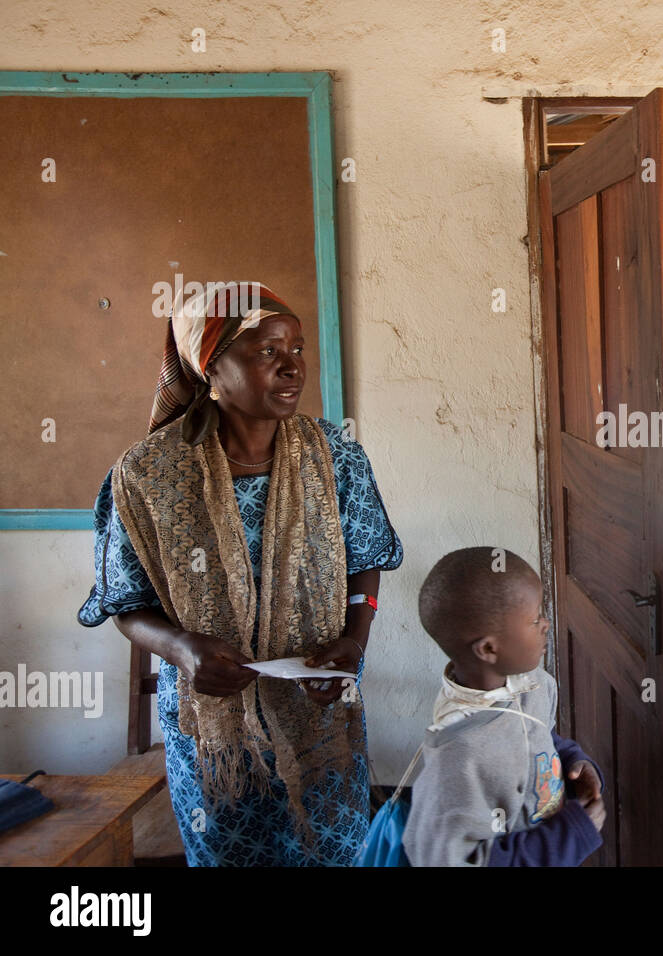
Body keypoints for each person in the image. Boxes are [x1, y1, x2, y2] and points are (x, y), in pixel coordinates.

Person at [77, 281, 403, 866]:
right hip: (211, 729)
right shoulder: (147, 473)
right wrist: (180, 648)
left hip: (318, 713)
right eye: (266, 353)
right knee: (229, 853)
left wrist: (355, 640)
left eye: (297, 350)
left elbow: (366, 562)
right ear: (210, 367)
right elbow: (123, 603)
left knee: (334, 850)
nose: (291, 369)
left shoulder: (335, 455)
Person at [404, 547, 605, 867]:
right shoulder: (457, 756)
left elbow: (541, 739)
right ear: (488, 648)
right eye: (535, 617)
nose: (546, 624)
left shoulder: (532, 684)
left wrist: (574, 762)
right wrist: (571, 834)